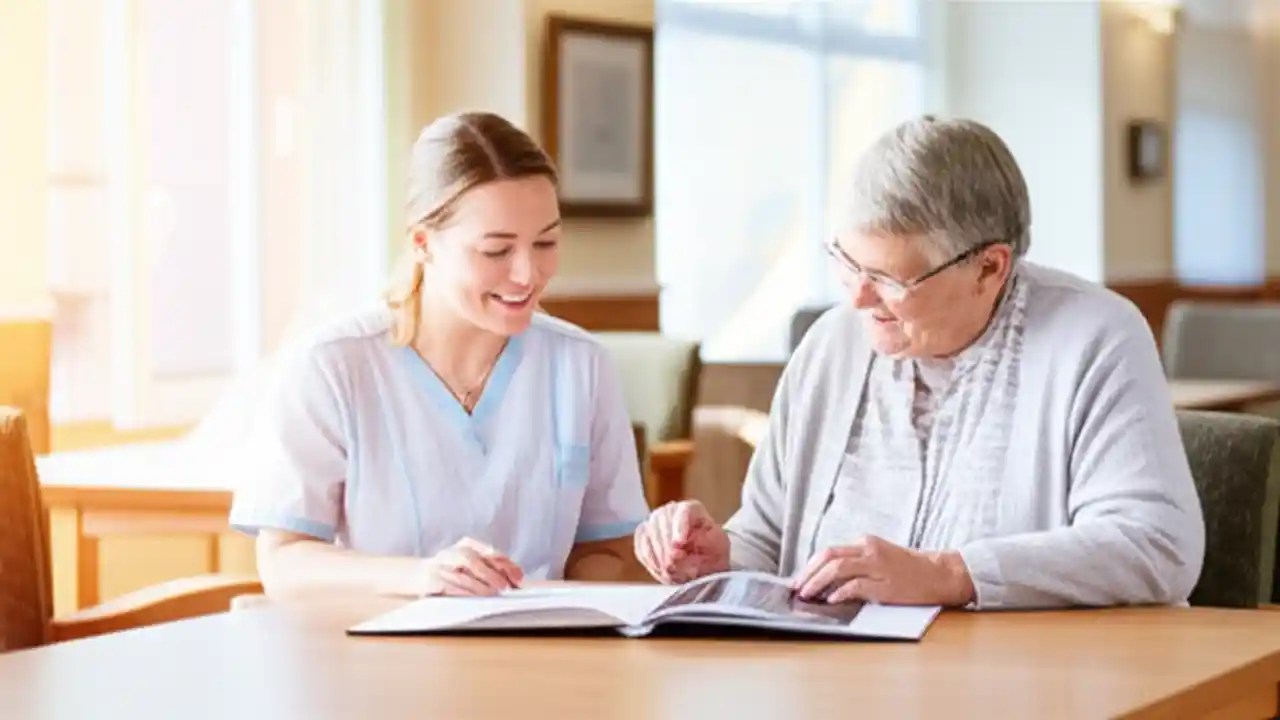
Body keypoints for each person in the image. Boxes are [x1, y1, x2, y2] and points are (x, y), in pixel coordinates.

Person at [634, 116, 1205, 609]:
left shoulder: (1096, 336)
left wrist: (949, 576)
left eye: (887, 277)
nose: (858, 296)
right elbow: (771, 539)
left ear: (990, 268)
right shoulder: (832, 344)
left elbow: (1157, 544)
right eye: (847, 262)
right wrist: (717, 555)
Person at [230, 111, 649, 599]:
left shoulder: (582, 365)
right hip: (378, 659)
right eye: (496, 251)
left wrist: (662, 562)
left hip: (543, 657)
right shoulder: (332, 367)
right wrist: (420, 577)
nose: (527, 274)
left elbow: (608, 551)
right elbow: (284, 561)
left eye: (546, 243)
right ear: (423, 244)